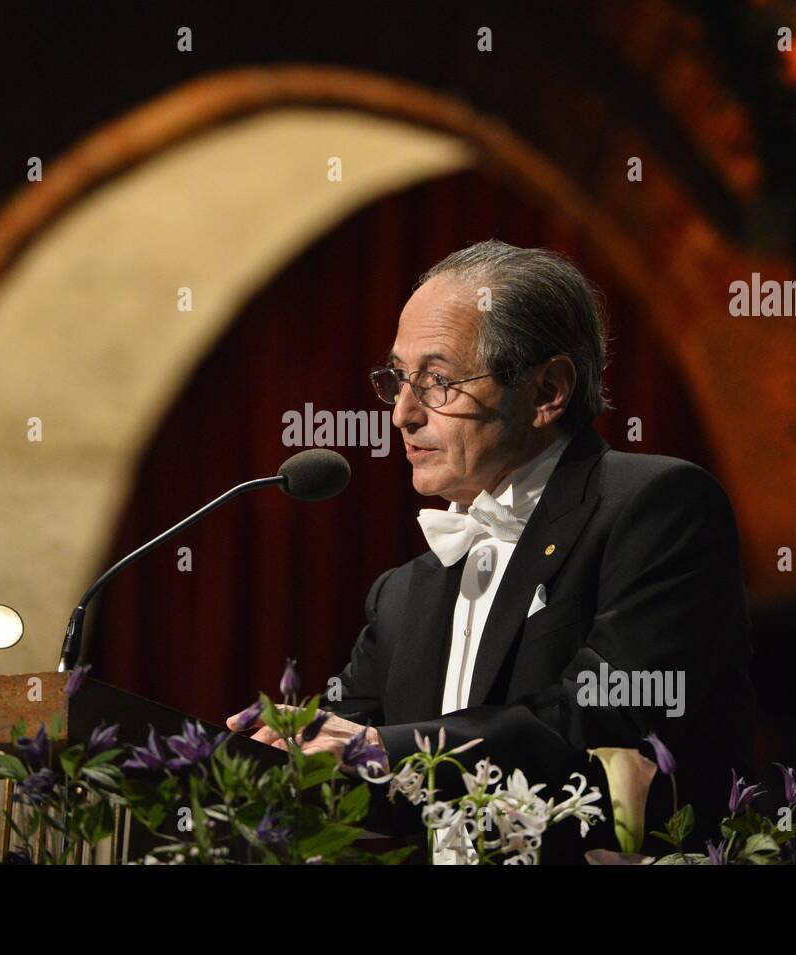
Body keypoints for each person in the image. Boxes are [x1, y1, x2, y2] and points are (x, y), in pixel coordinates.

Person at [227, 239, 755, 863]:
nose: (401, 413)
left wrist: (372, 748)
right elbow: (358, 755)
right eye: (398, 379)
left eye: (438, 381)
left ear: (548, 391)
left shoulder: (656, 507)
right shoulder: (404, 595)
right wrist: (278, 750)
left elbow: (600, 723)